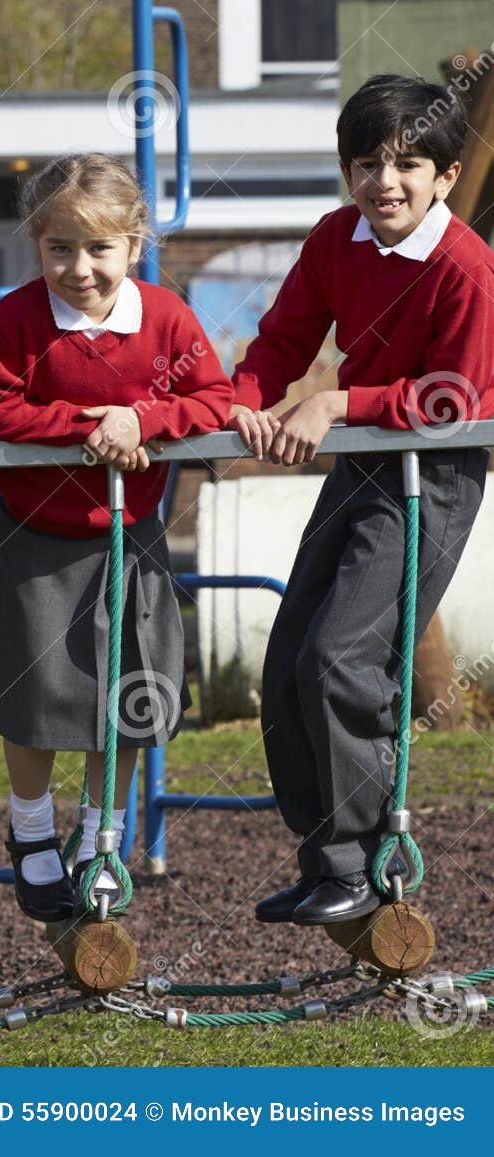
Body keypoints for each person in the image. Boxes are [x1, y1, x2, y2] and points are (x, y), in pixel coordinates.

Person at [230, 75, 494, 926]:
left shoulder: (467, 269)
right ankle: (327, 855)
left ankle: (368, 857)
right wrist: (243, 399)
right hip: (363, 468)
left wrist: (337, 402)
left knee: (343, 657)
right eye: (366, 163)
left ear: (447, 177)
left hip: (434, 474)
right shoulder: (336, 239)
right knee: (288, 661)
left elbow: (458, 397)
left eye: (408, 163)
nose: (385, 181)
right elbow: (281, 341)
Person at [0, 153, 232, 922]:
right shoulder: (13, 319)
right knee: (36, 690)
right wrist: (89, 431)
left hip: (129, 534)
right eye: (60, 249)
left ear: (135, 242)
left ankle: (99, 837)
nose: (79, 269)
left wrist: (144, 419)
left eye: (99, 249)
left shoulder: (166, 318)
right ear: (37, 243)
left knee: (125, 694)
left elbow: (210, 398)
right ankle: (31, 831)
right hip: (39, 535)